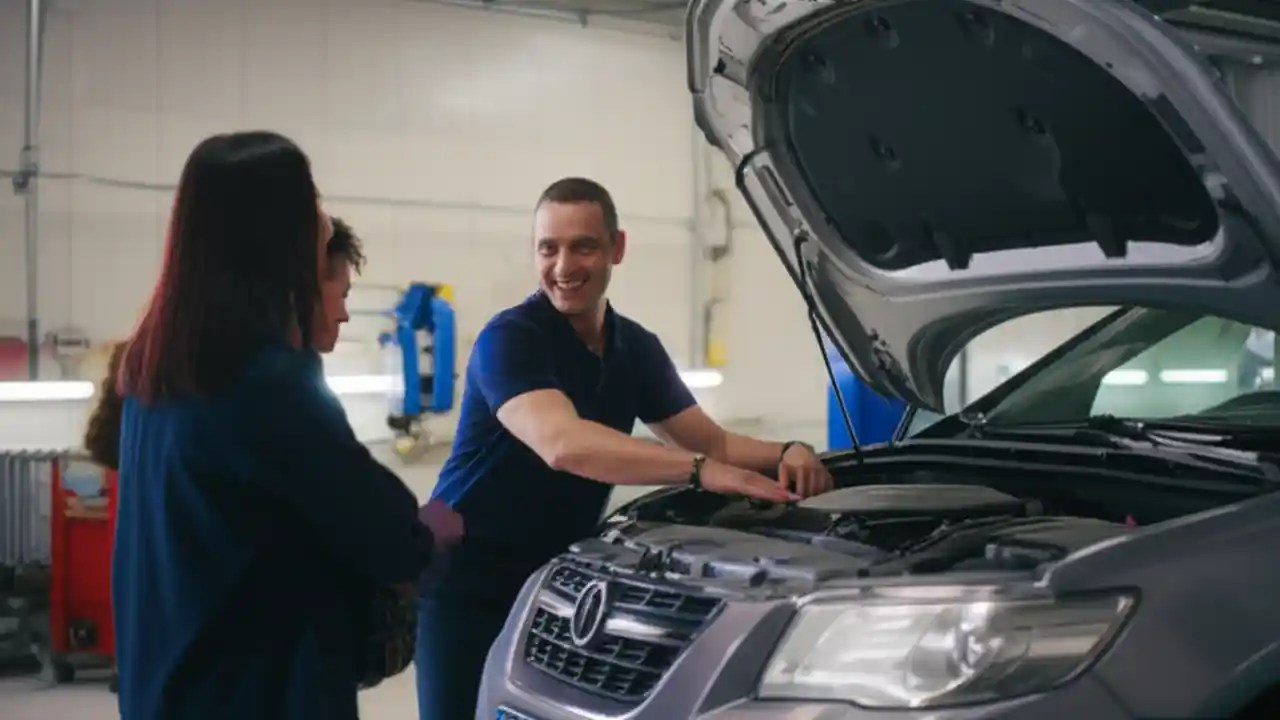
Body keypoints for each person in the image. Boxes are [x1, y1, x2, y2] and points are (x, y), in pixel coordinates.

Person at [413, 176, 835, 719]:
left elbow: (713, 440)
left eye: (584, 246)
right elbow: (563, 444)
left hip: (556, 585)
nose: (564, 266)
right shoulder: (511, 338)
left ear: (617, 248)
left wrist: (788, 449)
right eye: (549, 248)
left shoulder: (635, 348)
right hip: (465, 586)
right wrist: (700, 471)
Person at [110, 131, 462, 720]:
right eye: (309, 202)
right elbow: (392, 541)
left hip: (166, 691)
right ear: (275, 235)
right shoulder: (269, 384)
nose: (320, 218)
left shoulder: (157, 371)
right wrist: (438, 527)